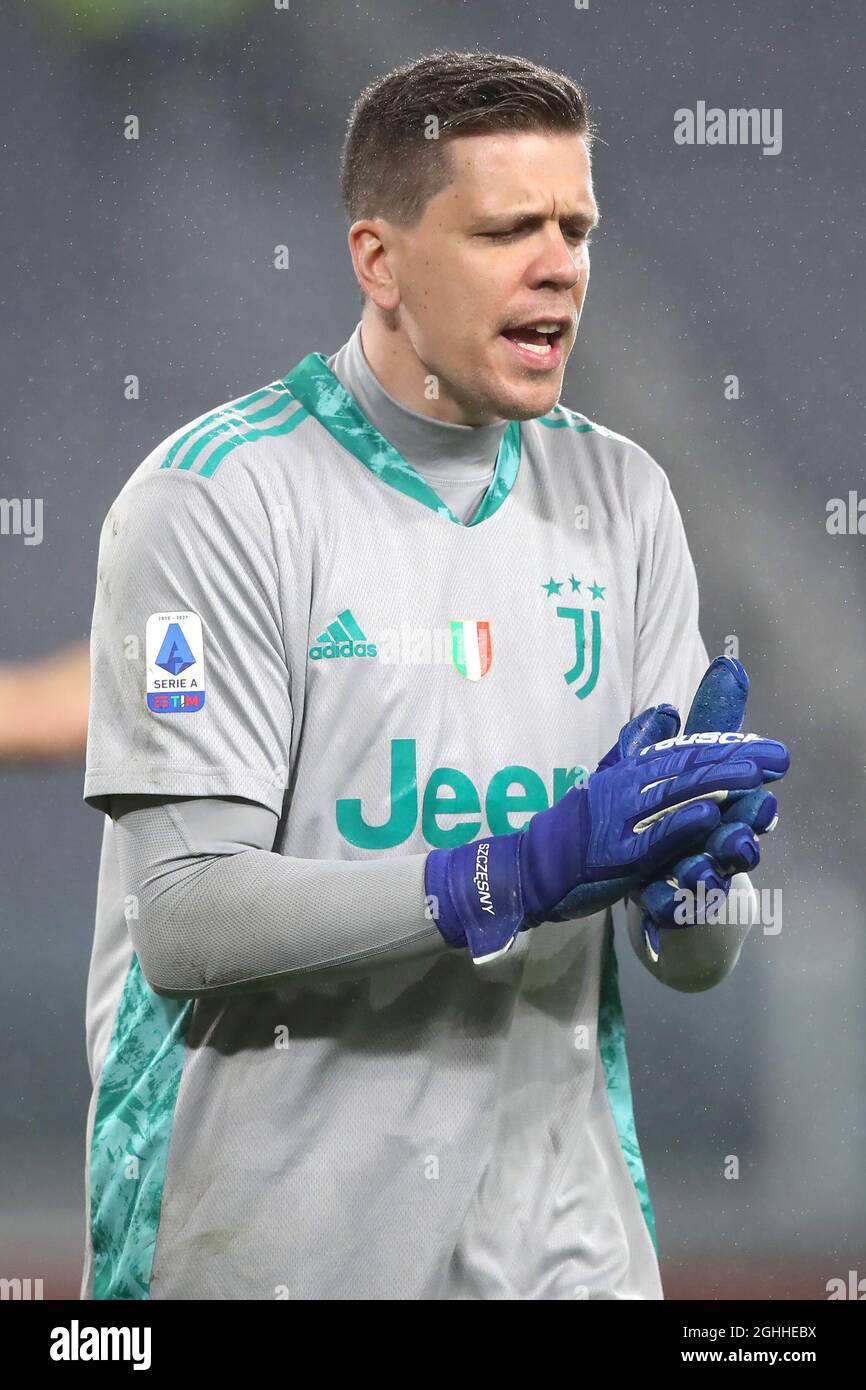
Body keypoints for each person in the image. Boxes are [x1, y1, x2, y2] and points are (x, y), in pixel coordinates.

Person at [80, 51, 789, 1301]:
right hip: (273, 1249)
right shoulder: (214, 500)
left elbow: (687, 963)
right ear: (379, 262)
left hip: (562, 1250)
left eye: (575, 226)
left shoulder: (619, 495)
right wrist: (504, 873)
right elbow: (181, 919)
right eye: (508, 227)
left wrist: (697, 894)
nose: (560, 262)